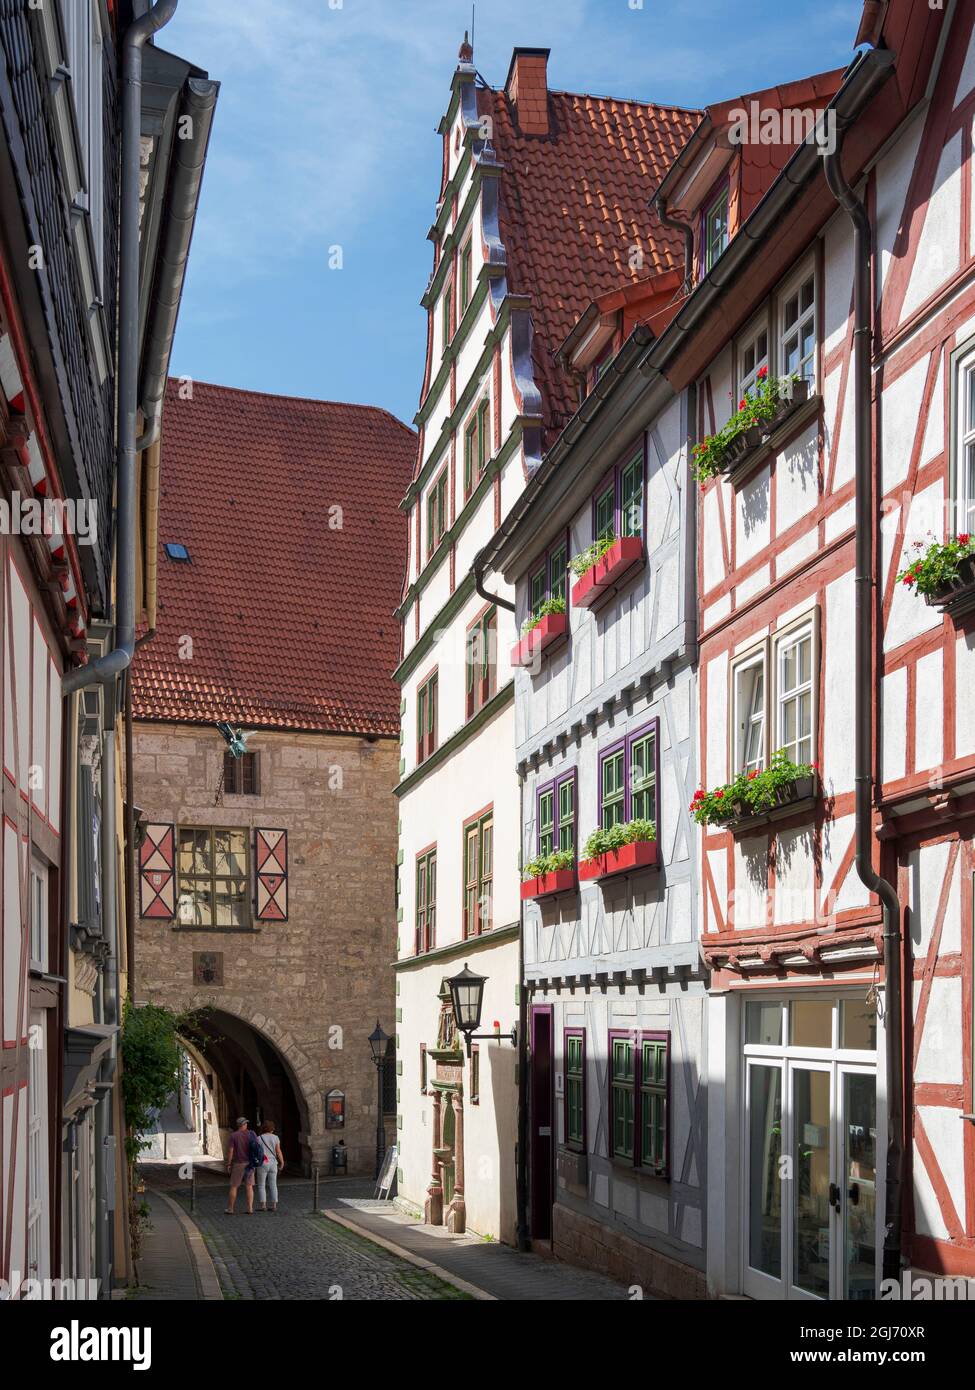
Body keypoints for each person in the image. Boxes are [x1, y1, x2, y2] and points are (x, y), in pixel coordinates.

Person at [225, 1117, 256, 1215]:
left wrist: (229, 1163)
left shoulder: (233, 1136)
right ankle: (250, 1208)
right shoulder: (252, 1134)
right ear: (243, 1125)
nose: (247, 1125)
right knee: (249, 1186)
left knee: (234, 1186)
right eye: (246, 1123)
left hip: (238, 1163)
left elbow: (230, 1151)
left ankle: (230, 1209)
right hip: (250, 1163)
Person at [255, 1121, 284, 1212]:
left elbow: (256, 1152)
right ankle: (274, 1205)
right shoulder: (275, 1138)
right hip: (273, 1163)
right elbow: (278, 1151)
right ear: (272, 1128)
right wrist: (282, 1162)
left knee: (261, 1185)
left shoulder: (259, 1138)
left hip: (263, 1163)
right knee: (273, 1184)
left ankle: (263, 1205)